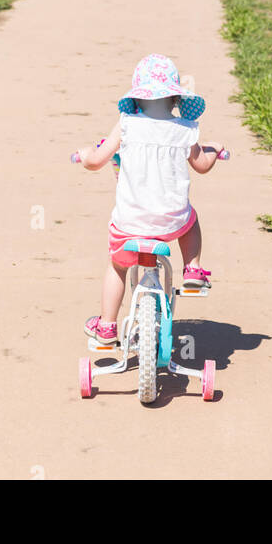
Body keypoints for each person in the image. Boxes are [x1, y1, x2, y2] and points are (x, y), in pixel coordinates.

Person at [75, 53, 225, 346]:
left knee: (118, 266)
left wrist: (84, 156)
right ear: (174, 100)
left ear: (137, 100)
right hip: (172, 222)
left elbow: (95, 161)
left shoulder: (127, 124)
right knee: (190, 218)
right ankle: (192, 267)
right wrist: (215, 149)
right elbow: (202, 165)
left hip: (129, 222)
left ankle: (107, 326)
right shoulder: (185, 128)